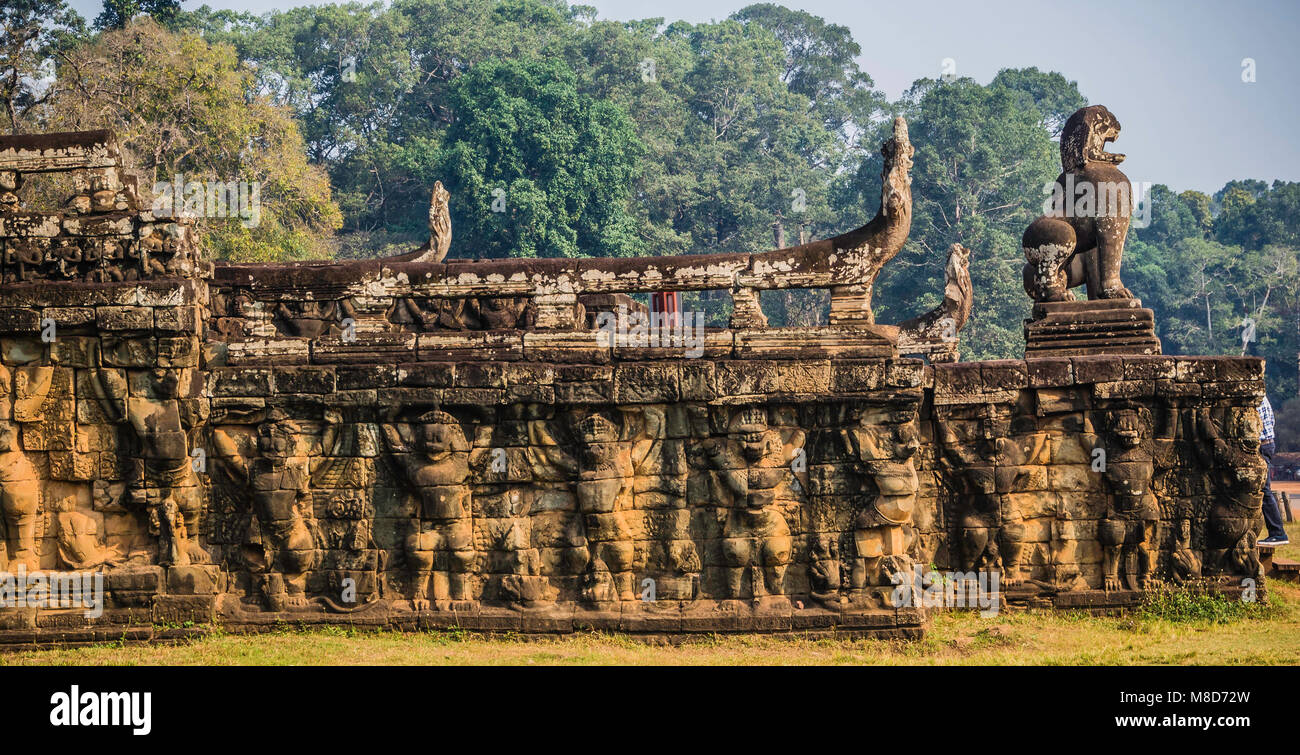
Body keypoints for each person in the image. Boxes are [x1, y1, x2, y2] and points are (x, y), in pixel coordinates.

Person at [1258, 395, 1290, 546]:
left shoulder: (1255, 399)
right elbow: (1272, 420)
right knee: (1263, 489)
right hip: (1268, 444)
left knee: (1264, 489)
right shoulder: (1263, 398)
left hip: (1261, 445)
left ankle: (1278, 532)